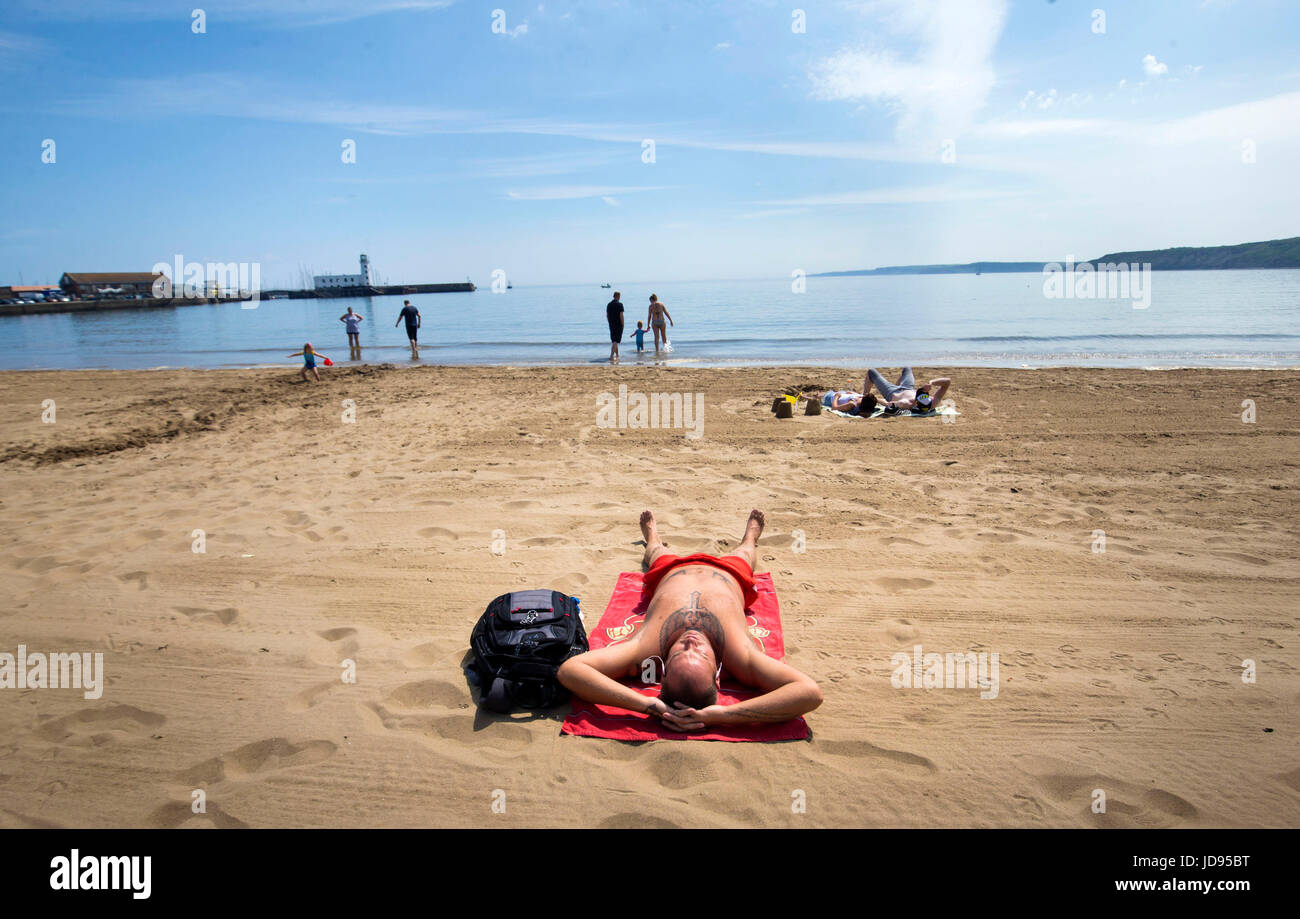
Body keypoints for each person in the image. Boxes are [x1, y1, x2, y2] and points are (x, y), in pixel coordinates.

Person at [557, 509, 823, 731]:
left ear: (662, 670)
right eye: (701, 654)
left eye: (679, 654)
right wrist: (724, 715)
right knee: (744, 554)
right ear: (718, 677)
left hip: (669, 571)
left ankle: (652, 535)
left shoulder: (646, 651)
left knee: (656, 552)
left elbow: (570, 671)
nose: (690, 642)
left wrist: (648, 705)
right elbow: (809, 693)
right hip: (729, 573)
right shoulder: (739, 657)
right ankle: (750, 537)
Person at [862, 367, 951, 414]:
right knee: (907, 368)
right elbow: (947, 382)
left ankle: (863, 397)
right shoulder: (932, 403)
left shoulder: (906, 403)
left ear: (916, 402)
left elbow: (888, 404)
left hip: (892, 392)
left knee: (871, 372)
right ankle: (897, 384)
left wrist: (869, 398)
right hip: (908, 387)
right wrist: (931, 383)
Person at [606, 291, 624, 363]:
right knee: (616, 341)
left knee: (614, 340)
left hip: (611, 324)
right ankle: (611, 355)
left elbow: (607, 315)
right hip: (618, 324)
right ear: (618, 296)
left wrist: (609, 322)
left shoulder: (609, 304)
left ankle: (617, 355)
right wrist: (623, 324)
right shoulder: (620, 304)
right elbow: (621, 315)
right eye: (619, 296)